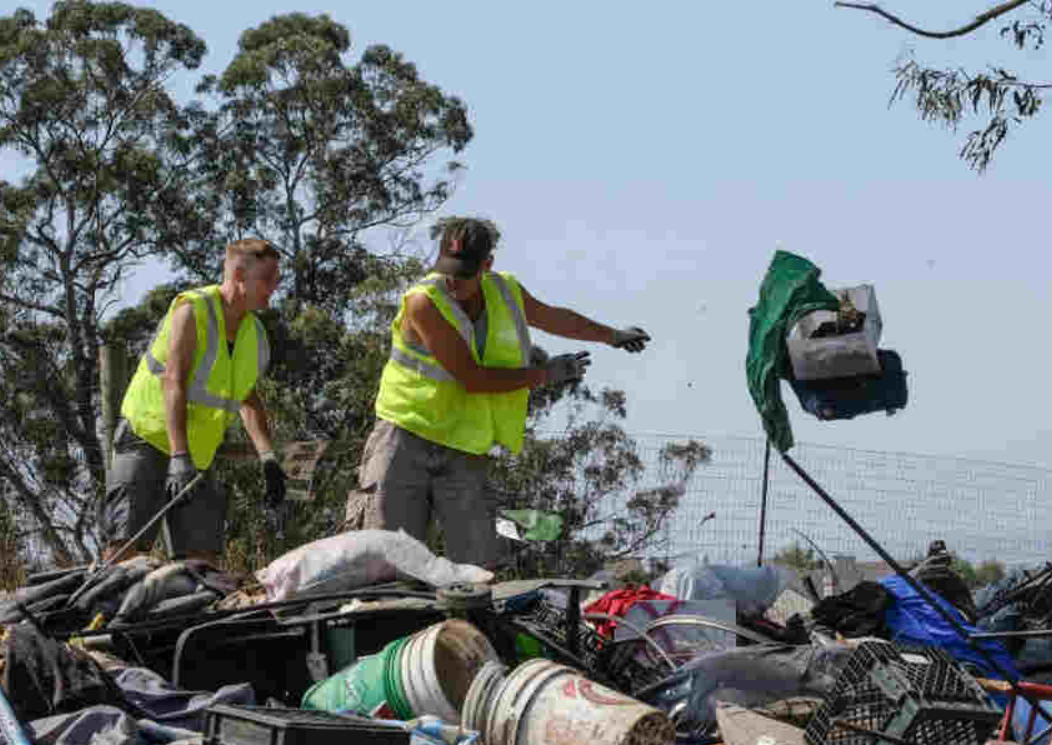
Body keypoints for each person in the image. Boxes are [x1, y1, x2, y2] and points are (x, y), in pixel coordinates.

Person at [344, 217, 649, 568]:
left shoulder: (505, 291)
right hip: (404, 441)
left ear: (487, 266)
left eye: (465, 274)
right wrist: (545, 374)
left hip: (464, 449)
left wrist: (613, 336)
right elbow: (471, 378)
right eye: (449, 270)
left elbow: (556, 318)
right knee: (390, 562)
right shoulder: (423, 302)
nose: (454, 282)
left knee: (477, 568)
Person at [104, 238, 288, 564]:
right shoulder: (193, 310)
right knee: (126, 551)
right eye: (267, 279)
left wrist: (268, 458)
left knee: (202, 563)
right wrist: (179, 457)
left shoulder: (255, 334)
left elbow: (248, 398)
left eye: (277, 280)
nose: (274, 287)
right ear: (239, 275)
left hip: (198, 457)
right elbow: (172, 380)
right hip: (149, 438)